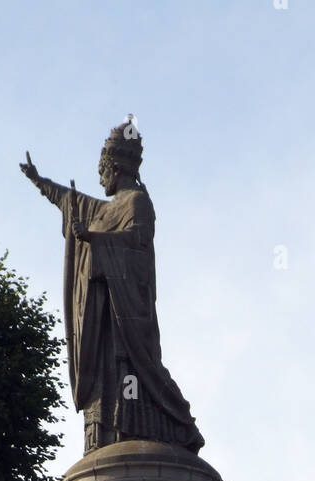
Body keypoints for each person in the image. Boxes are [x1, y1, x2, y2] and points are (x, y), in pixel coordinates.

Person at [20, 122, 204, 456]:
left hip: (127, 313)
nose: (100, 178)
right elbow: (70, 201)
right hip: (102, 316)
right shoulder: (103, 210)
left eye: (102, 170)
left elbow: (138, 243)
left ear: (114, 166)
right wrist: (39, 181)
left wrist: (95, 239)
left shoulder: (136, 203)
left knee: (135, 366)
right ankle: (108, 431)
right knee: (107, 372)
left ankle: (168, 425)